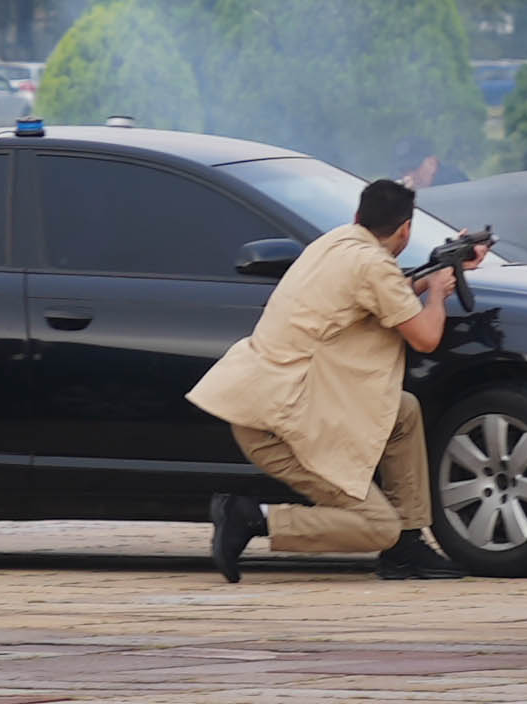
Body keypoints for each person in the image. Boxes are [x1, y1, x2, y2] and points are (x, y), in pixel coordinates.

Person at [190, 176, 465, 582]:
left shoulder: (335, 243)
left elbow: (385, 293)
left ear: (357, 215)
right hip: (283, 426)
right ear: (406, 229)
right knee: (379, 527)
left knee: (403, 412)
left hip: (265, 404)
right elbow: (425, 337)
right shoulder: (372, 265)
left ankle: (408, 545)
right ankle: (253, 517)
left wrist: (434, 276)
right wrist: (438, 294)